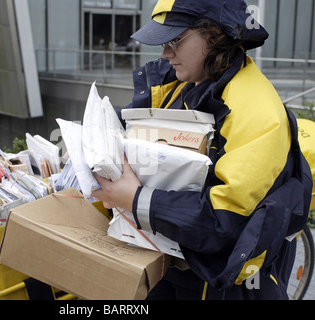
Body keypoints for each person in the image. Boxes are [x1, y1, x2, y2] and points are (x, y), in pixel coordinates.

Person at [91, 0, 313, 300]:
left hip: (225, 284)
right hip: (180, 263)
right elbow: (140, 124)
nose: (165, 53)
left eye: (174, 40)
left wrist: (136, 198)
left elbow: (226, 223)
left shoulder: (257, 114)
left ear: (215, 35)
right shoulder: (192, 81)